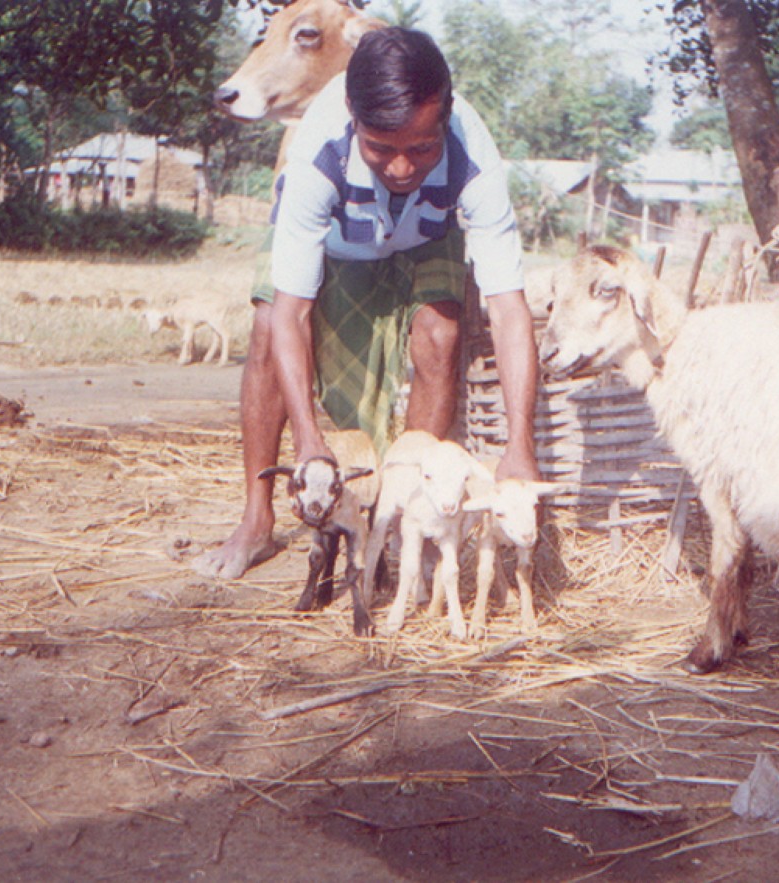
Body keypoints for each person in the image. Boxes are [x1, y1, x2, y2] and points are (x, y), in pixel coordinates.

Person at [195, 27, 539, 579]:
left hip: (424, 234)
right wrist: (308, 440)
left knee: (440, 335)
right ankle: (256, 522)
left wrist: (519, 443)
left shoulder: (473, 156)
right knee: (265, 328)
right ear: (353, 114)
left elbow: (508, 309)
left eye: (421, 148)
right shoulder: (316, 156)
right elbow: (292, 314)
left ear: (444, 119)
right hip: (334, 239)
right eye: (381, 148)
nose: (402, 169)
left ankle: (404, 521)